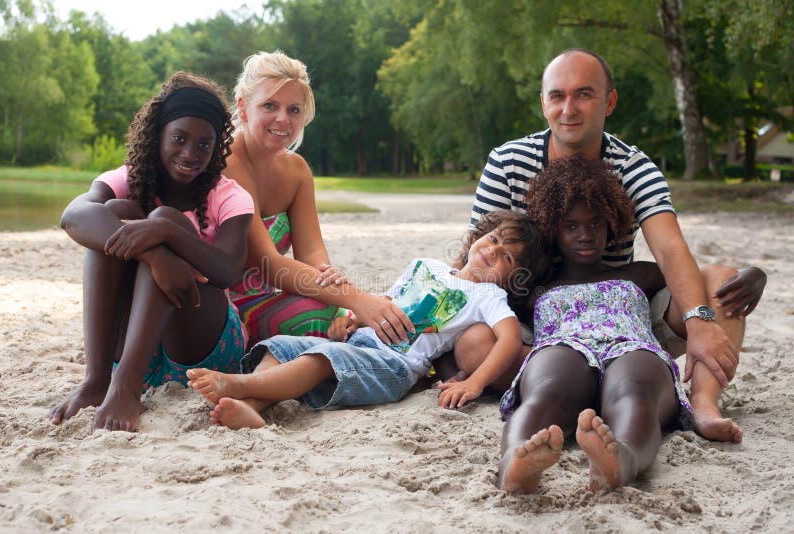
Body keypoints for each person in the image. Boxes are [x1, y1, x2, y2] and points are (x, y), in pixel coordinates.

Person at [454, 48, 766, 442]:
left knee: (722, 282)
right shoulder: (508, 163)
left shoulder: (634, 168)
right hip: (533, 324)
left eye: (584, 94)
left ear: (610, 101)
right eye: (557, 96)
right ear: (543, 103)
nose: (569, 109)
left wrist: (698, 321)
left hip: (621, 316)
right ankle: (582, 388)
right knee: (474, 345)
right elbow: (475, 255)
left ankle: (703, 403)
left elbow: (669, 249)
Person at [185, 211, 552, 430]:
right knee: (285, 347)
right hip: (360, 343)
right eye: (492, 239)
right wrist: (352, 319)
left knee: (321, 361)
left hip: (394, 366)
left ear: (515, 280)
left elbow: (506, 340)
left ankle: (238, 384)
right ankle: (253, 405)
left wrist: (474, 383)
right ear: (478, 236)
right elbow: (386, 304)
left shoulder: (489, 296)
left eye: (506, 257)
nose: (491, 251)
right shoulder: (428, 265)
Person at [50, 72, 254, 432]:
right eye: (179, 138)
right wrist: (157, 255)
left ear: (217, 147)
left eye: (204, 145)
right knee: (116, 212)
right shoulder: (129, 178)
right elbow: (74, 216)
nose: (191, 154)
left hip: (200, 347)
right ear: (158, 134)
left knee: (165, 218)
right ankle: (98, 378)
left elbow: (229, 270)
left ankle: (126, 386)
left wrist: (164, 231)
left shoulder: (230, 196)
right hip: (131, 346)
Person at [499, 155, 693, 493]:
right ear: (552, 230)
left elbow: (694, 283)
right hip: (564, 346)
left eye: (595, 224)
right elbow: (477, 300)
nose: (585, 235)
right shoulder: (534, 288)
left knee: (634, 391)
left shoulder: (642, 273)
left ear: (612, 225)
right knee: (547, 391)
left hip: (630, 345)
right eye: (571, 226)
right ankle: (514, 464)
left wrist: (754, 276)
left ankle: (622, 460)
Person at [226, 50, 407, 348]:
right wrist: (358, 299)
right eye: (270, 105)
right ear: (244, 108)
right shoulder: (229, 161)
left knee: (343, 318)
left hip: (271, 296)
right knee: (330, 316)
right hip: (225, 304)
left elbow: (312, 257)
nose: (283, 119)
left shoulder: (297, 171)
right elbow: (269, 264)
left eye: (294, 110)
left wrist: (335, 285)